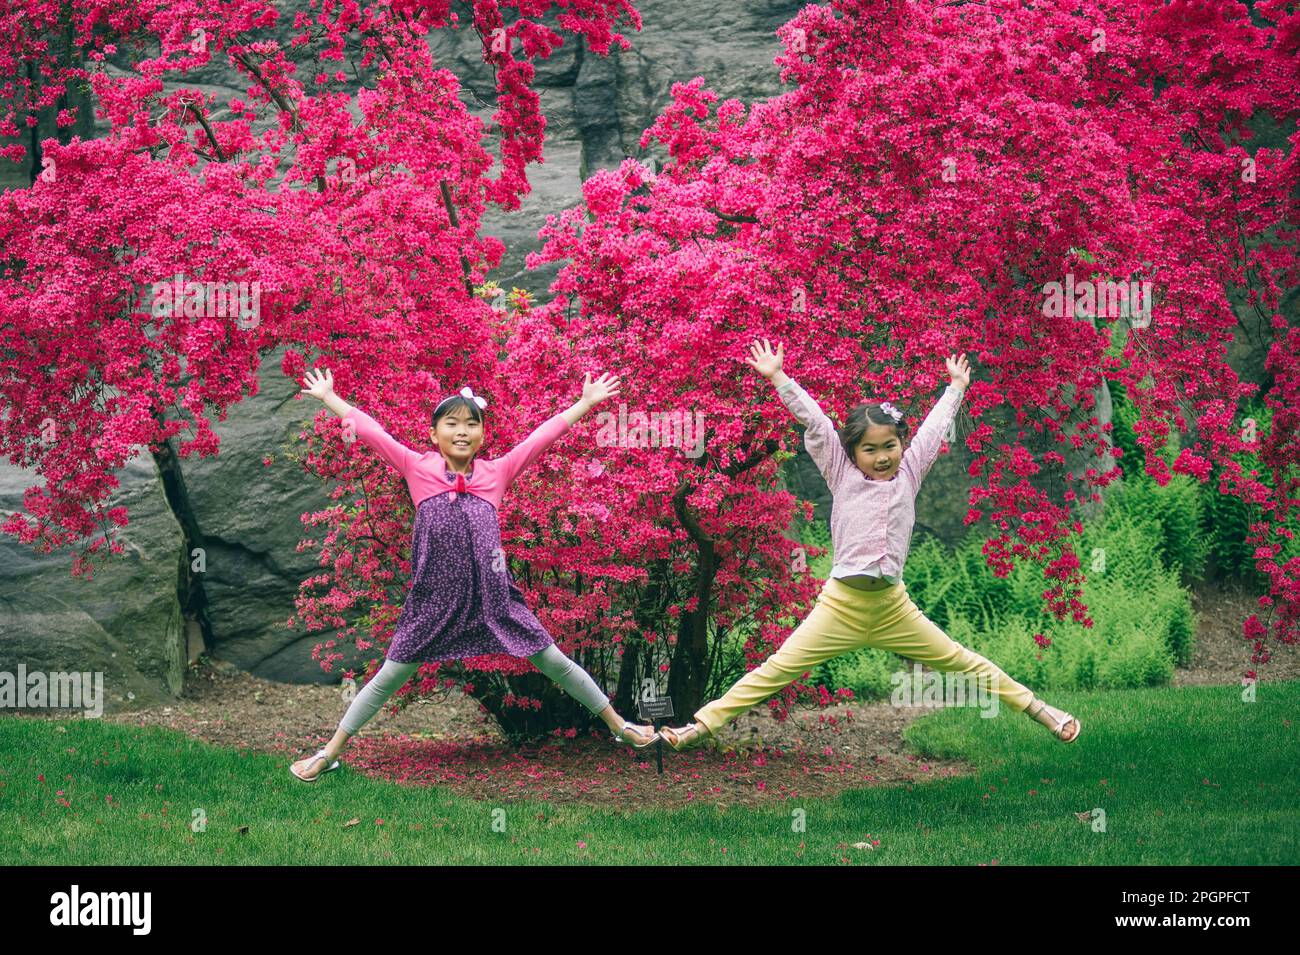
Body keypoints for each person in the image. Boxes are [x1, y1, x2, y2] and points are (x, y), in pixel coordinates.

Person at [659, 339, 1081, 750]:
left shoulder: (910, 474)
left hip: (893, 608)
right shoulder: (841, 475)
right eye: (870, 449)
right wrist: (779, 377)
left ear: (900, 445)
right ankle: (700, 727)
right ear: (852, 452)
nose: (882, 456)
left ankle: (1043, 711)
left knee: (962, 661)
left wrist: (955, 388)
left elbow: (932, 432)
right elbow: (817, 422)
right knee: (777, 670)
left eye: (889, 446)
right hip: (841, 605)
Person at [290, 368, 658, 782]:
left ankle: (619, 726)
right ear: (434, 434)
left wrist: (586, 403)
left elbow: (540, 439)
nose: (461, 431)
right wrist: (329, 398)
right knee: (386, 679)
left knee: (555, 661)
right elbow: (373, 433)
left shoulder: (496, 473)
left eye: (471, 424)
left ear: (482, 436)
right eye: (451, 424)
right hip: (434, 603)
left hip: (494, 599)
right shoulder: (416, 467)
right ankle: (329, 753)